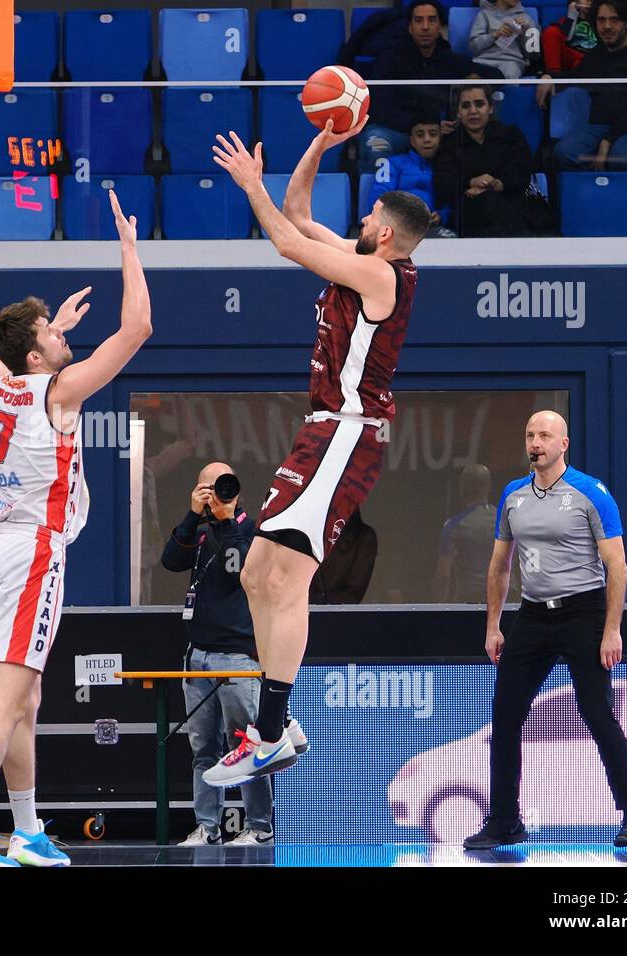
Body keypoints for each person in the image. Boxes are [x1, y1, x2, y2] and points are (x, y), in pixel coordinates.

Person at [0, 191, 152, 867]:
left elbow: (0, 357)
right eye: (53, 332)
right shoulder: (58, 391)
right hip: (30, 549)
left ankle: (25, 831)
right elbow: (137, 329)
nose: (64, 335)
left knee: (26, 695)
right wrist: (130, 249)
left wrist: (48, 324)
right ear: (35, 357)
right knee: (5, 698)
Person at [205, 122, 429, 786]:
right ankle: (282, 717)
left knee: (288, 581)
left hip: (349, 433)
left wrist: (250, 183)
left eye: (369, 215)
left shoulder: (379, 275)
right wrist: (322, 141)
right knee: (254, 576)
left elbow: (282, 238)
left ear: (385, 234)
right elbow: (299, 214)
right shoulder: (364, 259)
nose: (360, 218)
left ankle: (270, 732)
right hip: (322, 432)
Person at [465, 410, 627, 849]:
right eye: (530, 435)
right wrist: (494, 625)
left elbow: (616, 564)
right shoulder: (513, 496)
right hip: (532, 616)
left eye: (545, 435)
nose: (536, 442)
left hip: (583, 613)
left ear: (563, 443)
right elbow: (500, 565)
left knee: (597, 713)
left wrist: (612, 630)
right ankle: (506, 820)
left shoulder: (590, 493)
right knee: (505, 715)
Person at [161, 462, 298, 847]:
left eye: (221, 488)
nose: (214, 495)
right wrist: (192, 515)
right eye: (206, 487)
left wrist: (223, 521)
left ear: (235, 491)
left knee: (249, 748)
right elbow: (171, 560)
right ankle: (208, 828)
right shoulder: (200, 533)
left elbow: (236, 566)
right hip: (198, 654)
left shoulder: (251, 531)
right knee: (202, 749)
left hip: (238, 656)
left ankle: (259, 827)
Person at [359, 0, 492, 173]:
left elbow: (496, 75)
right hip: (397, 129)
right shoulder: (389, 59)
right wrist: (418, 127)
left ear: (440, 27)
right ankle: (376, 199)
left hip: (435, 132)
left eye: (431, 20)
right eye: (419, 20)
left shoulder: (450, 60)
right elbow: (380, 108)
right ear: (410, 27)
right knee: (376, 142)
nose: (425, 27)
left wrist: (475, 78)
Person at [542, 0, 627, 172]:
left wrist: (608, 141)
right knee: (564, 153)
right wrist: (550, 77)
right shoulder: (597, 54)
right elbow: (576, 77)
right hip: (603, 126)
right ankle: (595, 192)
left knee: (622, 156)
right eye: (601, 20)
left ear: (626, 22)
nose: (607, 26)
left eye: (614, 20)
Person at [434, 86, 542, 237]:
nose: (473, 111)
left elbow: (521, 171)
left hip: (512, 204)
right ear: (458, 112)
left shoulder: (510, 135)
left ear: (490, 108)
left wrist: (496, 183)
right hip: (470, 213)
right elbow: (443, 182)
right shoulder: (449, 143)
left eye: (479, 104)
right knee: (486, 201)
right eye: (466, 106)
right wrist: (471, 182)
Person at [368, 115, 456, 238]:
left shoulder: (447, 166)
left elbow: (452, 200)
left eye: (433, 134)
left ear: (440, 138)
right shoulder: (391, 163)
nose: (427, 139)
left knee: (450, 240)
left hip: (431, 228)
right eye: (420, 135)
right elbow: (378, 197)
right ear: (412, 141)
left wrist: (442, 215)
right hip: (396, 229)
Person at [433, 464, 496, 603]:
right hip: (507, 601)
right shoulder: (506, 521)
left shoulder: (453, 526)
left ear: (461, 488)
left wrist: (435, 613)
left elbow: (444, 575)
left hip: (472, 602)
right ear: (488, 487)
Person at [308, 508, 378, 604]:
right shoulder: (309, 531)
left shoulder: (363, 537)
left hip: (338, 614)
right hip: (302, 613)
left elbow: (353, 593)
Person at [469, 0, 541, 80]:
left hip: (511, 62)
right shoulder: (484, 14)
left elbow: (534, 55)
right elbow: (474, 47)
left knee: (510, 73)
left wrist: (525, 33)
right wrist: (495, 35)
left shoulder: (526, 19)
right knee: (471, 77)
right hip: (484, 61)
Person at [542, 0, 600, 74]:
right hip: (571, 55)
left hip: (593, 57)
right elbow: (566, 38)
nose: (589, 2)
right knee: (551, 32)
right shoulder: (567, 20)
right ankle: (553, 76)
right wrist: (571, 18)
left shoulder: (604, 22)